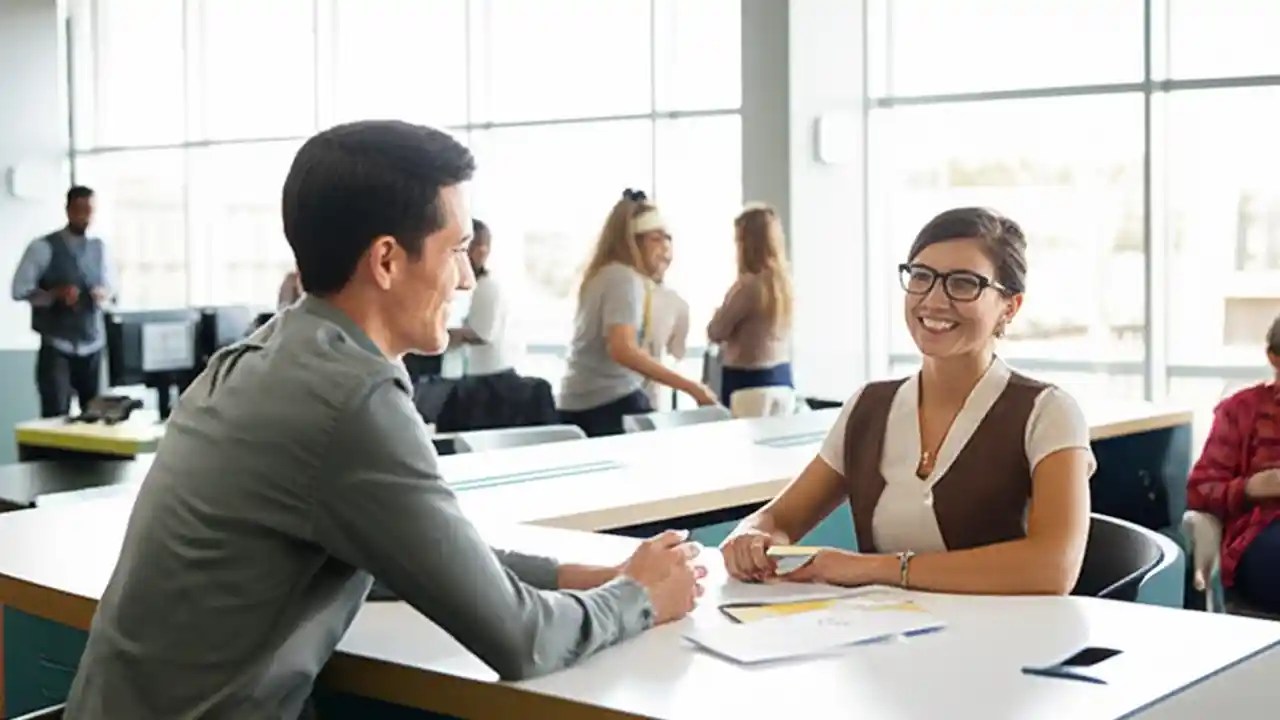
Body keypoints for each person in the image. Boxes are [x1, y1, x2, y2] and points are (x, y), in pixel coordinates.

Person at [65, 121, 705, 719]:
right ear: (388, 260)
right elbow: (523, 641)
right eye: (455, 250)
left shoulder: (262, 356)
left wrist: (581, 576)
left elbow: (403, 551)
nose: (463, 278)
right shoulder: (352, 399)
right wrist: (640, 599)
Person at [720, 207, 1095, 595]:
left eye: (964, 283)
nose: (933, 300)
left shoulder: (1049, 412)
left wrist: (869, 568)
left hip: (1006, 645)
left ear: (1009, 306)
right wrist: (751, 535)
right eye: (921, 277)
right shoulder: (869, 407)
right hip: (887, 642)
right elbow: (777, 520)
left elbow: (1052, 568)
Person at [558, 189, 716, 437]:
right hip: (608, 404)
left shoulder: (602, 274)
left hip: (578, 402)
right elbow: (622, 348)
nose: (665, 247)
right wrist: (692, 388)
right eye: (656, 238)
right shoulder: (623, 278)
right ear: (634, 241)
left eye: (668, 238)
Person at [1186, 315, 1280, 613]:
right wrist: (1251, 487)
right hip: (1263, 534)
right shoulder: (1241, 410)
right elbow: (1199, 489)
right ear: (1274, 358)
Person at [10, 185, 115, 418]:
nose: (86, 216)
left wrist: (103, 294)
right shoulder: (42, 247)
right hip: (57, 344)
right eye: (80, 210)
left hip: (93, 343)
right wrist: (55, 294)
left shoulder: (100, 248)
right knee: (56, 415)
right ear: (68, 210)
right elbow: (18, 290)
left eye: (90, 210)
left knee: (96, 417)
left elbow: (112, 289)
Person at [706, 202, 794, 407]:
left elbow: (716, 331)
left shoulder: (748, 287)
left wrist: (719, 311)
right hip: (781, 377)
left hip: (747, 382)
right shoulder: (784, 285)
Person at [449, 218, 523, 376]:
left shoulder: (487, 287)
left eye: (461, 249)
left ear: (480, 251)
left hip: (490, 378)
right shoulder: (486, 285)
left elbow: (481, 334)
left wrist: (440, 337)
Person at [640, 230, 690, 411]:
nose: (662, 249)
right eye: (655, 240)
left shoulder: (677, 303)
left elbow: (677, 353)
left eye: (666, 242)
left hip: (649, 401)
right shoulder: (622, 290)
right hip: (614, 396)